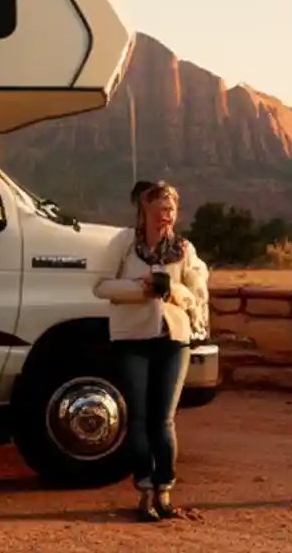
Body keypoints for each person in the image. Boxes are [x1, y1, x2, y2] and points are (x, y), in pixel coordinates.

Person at [93, 181, 210, 521]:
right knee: (139, 419)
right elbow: (101, 286)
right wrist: (138, 289)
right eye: (160, 209)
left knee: (164, 420)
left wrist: (171, 289)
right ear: (143, 211)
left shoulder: (184, 250)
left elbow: (197, 293)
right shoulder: (124, 245)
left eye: (171, 209)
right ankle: (144, 490)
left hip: (173, 340)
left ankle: (165, 491)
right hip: (132, 339)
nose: (166, 216)